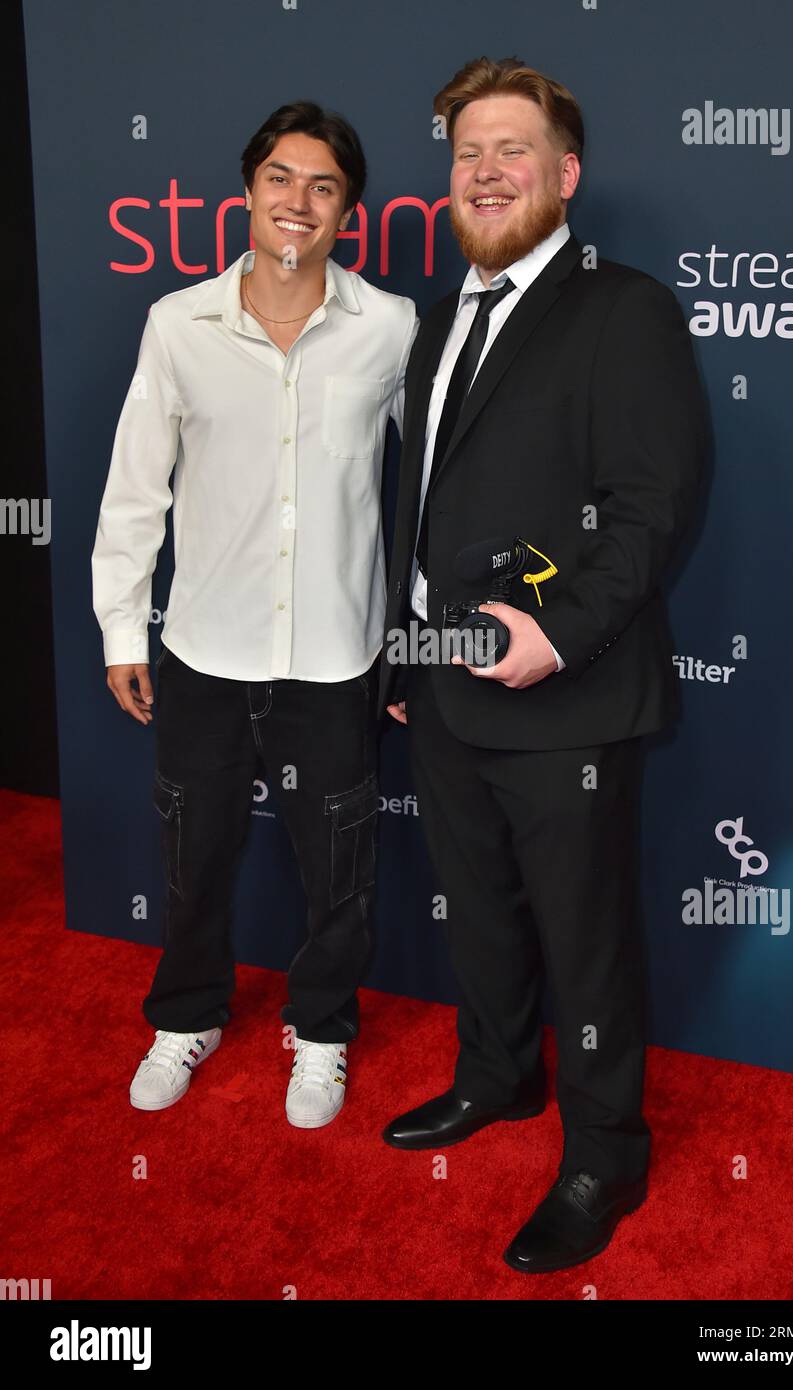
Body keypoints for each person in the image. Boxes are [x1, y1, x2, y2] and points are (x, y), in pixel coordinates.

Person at [379, 57, 706, 1273]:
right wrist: (409, 650)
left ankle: (606, 1150)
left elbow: (655, 507)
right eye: (468, 152)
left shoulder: (622, 307)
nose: (486, 170)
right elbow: (418, 500)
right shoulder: (435, 320)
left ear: (564, 175)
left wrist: (557, 629)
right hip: (443, 681)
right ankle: (499, 1079)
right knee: (481, 920)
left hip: (564, 694)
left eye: (513, 149)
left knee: (586, 938)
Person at [92, 102, 417, 1127]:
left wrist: (416, 638)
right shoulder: (177, 323)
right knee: (195, 857)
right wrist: (120, 627)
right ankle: (185, 1015)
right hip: (202, 648)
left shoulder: (393, 329)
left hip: (335, 655)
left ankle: (320, 1035)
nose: (298, 202)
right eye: (281, 178)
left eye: (323, 187)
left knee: (340, 869)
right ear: (248, 191)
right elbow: (136, 489)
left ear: (348, 211)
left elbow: (435, 490)